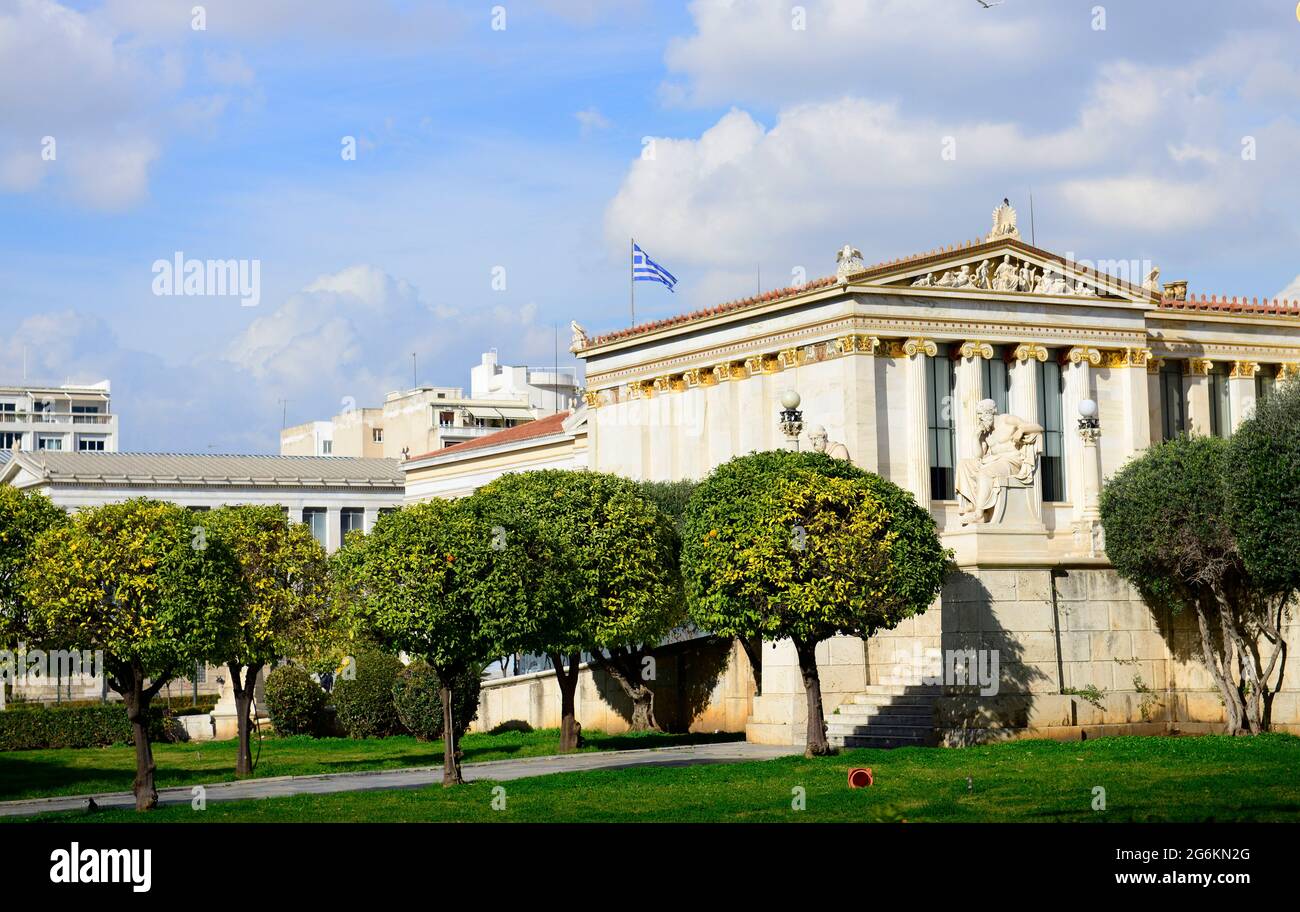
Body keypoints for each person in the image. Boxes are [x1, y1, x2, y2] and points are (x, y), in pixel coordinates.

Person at [955, 400, 1043, 524]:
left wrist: (1021, 430)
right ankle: (975, 504)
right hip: (993, 461)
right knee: (963, 465)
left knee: (985, 473)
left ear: (991, 412)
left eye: (982, 413)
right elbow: (979, 455)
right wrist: (976, 436)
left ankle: (979, 514)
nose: (980, 417)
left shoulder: (1006, 420)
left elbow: (1038, 427)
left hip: (1012, 462)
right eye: (978, 414)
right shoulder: (986, 431)